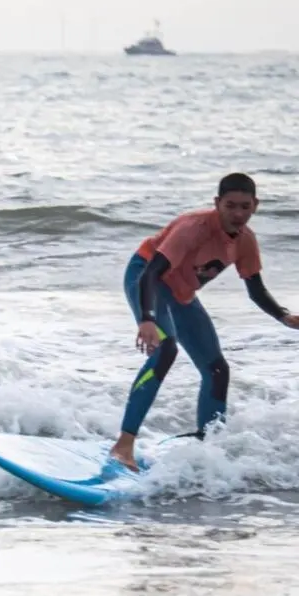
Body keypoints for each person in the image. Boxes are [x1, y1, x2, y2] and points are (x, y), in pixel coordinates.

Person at [110, 172, 299, 471]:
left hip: (180, 292)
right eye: (230, 206)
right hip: (146, 277)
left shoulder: (245, 241)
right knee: (165, 350)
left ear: (256, 206)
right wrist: (146, 319)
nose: (238, 214)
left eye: (245, 207)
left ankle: (208, 447)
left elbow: (256, 288)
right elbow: (151, 273)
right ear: (217, 203)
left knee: (217, 369)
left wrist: (283, 316)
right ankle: (123, 445)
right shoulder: (192, 228)